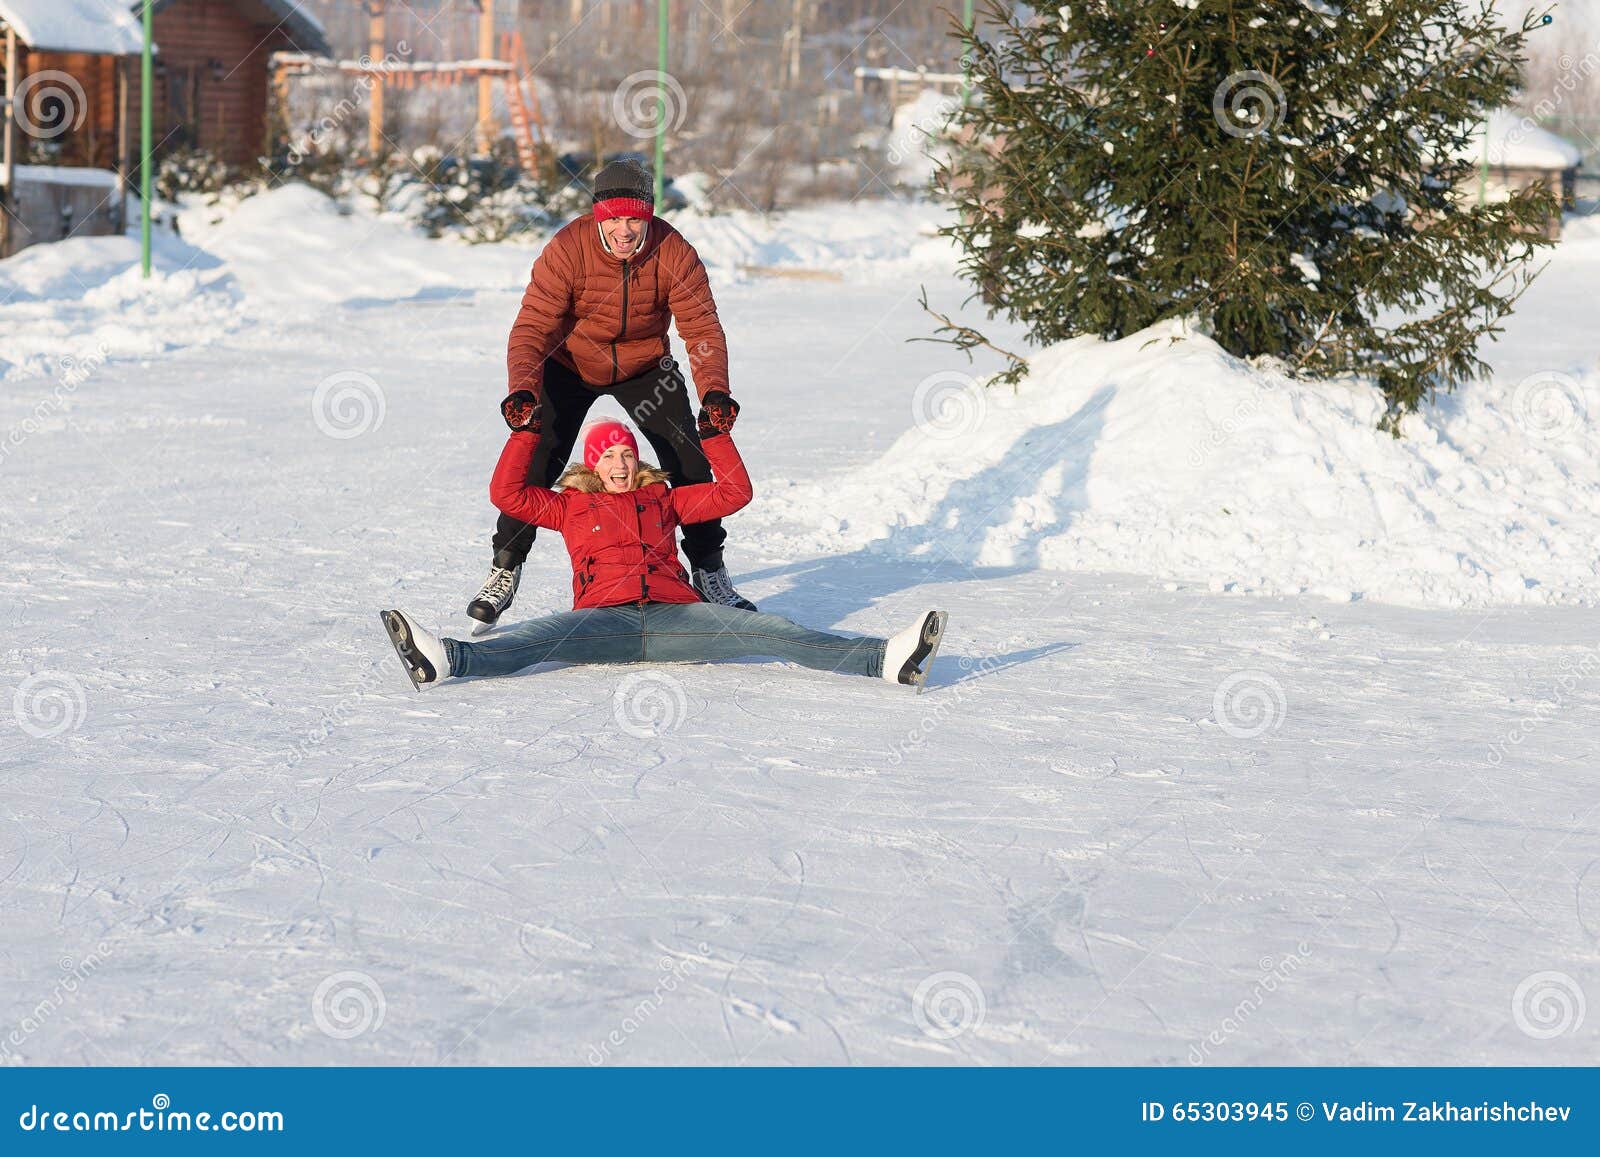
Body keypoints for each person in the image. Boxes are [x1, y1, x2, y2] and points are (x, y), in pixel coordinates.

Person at [385, 393, 947, 691]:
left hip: (680, 619)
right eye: (609, 455)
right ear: (593, 464)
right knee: (540, 637)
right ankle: (447, 660)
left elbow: (735, 492)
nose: (621, 463)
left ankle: (885, 662)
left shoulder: (666, 499)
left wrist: (714, 435)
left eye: (627, 453)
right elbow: (506, 493)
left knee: (772, 630)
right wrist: (526, 433)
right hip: (603, 621)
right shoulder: (570, 506)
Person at [468, 157, 755, 631]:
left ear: (649, 215)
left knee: (689, 464)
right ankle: (505, 568)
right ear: (599, 216)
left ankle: (709, 572)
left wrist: (715, 392)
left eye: (635, 218)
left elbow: (701, 327)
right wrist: (523, 388)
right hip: (569, 364)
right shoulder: (567, 249)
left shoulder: (673, 250)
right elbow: (533, 327)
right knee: (539, 461)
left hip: (645, 366)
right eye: (614, 219)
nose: (625, 231)